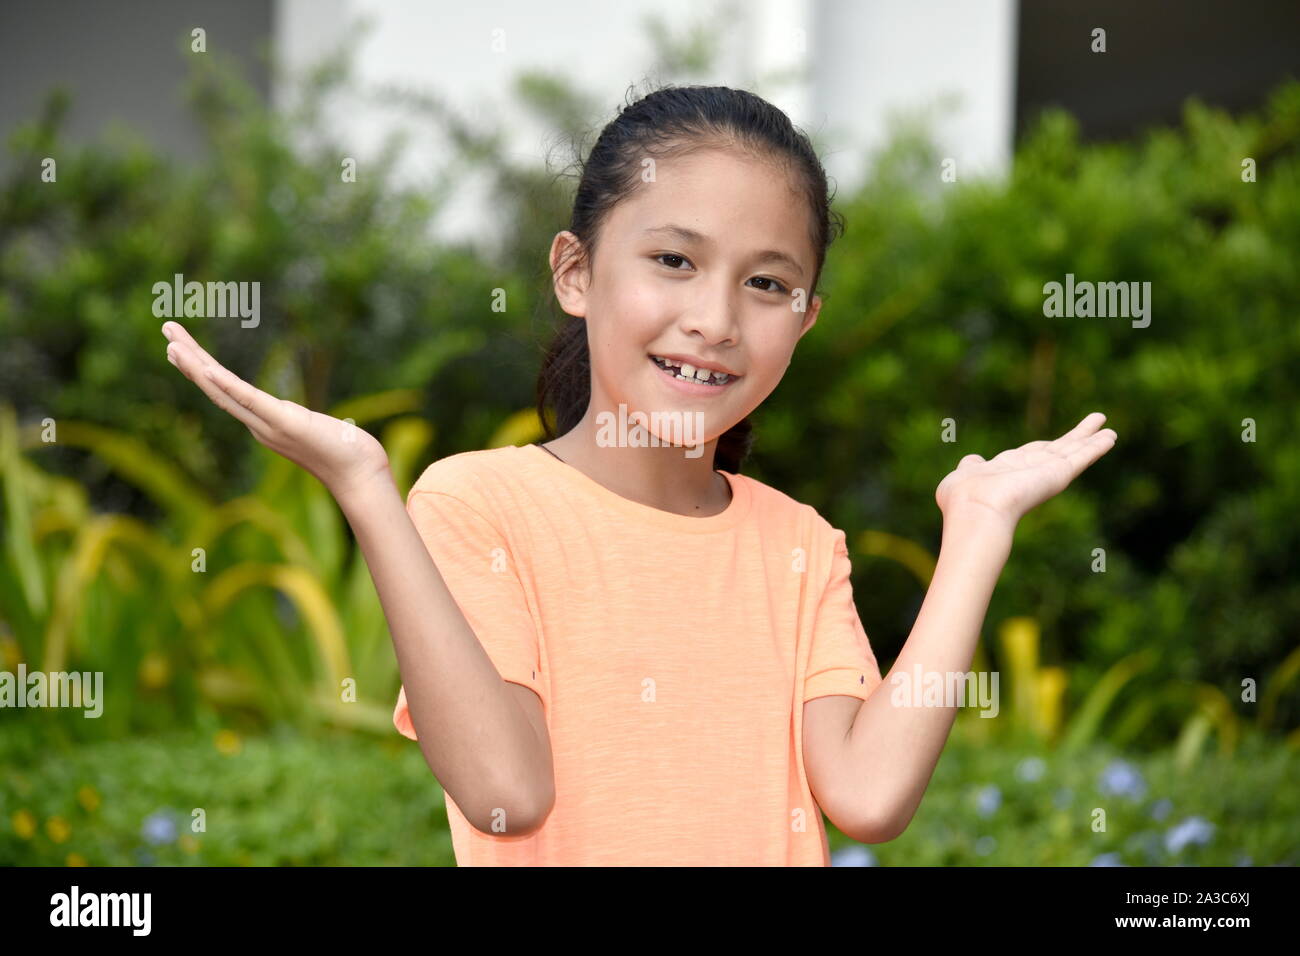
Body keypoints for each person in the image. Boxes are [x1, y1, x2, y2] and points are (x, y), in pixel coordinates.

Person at [160, 84, 1116, 866]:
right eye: (673, 259)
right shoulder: (478, 505)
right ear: (575, 273)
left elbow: (867, 800)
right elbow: (505, 797)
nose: (716, 318)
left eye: (767, 283)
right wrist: (366, 487)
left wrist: (981, 526)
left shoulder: (798, 543)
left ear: (806, 318)